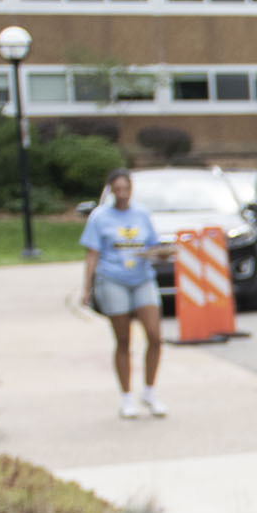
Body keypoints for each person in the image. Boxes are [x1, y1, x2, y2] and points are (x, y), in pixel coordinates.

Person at [80, 169, 169, 419]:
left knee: (154, 335)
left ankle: (150, 391)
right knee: (123, 340)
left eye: (125, 189)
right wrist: (86, 288)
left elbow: (154, 245)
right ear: (110, 191)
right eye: (117, 190)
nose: (122, 195)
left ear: (131, 190)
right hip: (113, 279)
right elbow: (92, 254)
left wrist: (159, 253)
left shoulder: (141, 213)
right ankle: (127, 397)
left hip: (142, 277)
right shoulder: (100, 217)